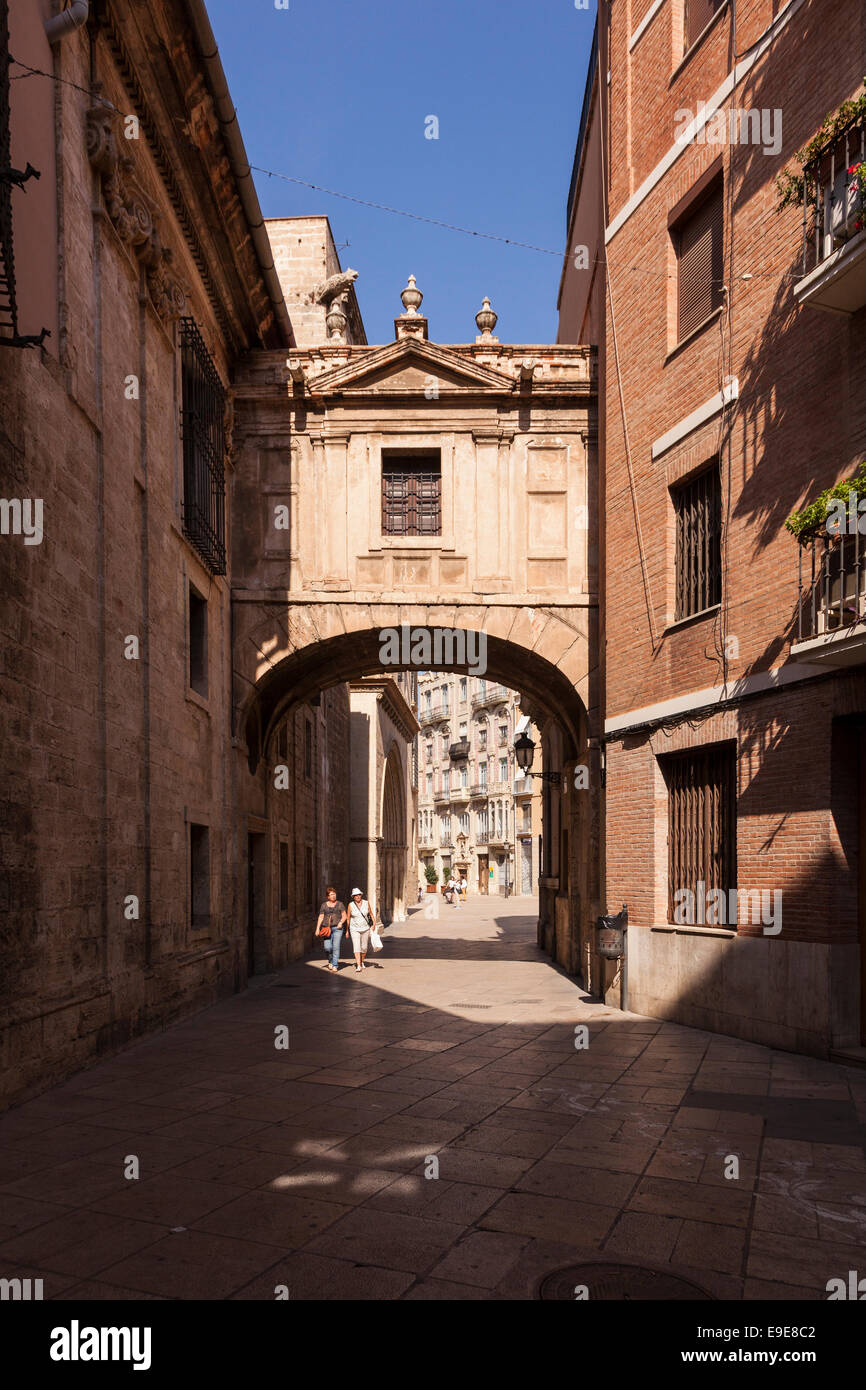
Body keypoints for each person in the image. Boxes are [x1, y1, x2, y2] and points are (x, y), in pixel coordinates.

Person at [315, 887, 346, 972]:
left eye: (334, 894)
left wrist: (340, 922)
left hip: (337, 929)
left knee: (336, 947)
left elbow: (344, 916)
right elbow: (321, 916)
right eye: (331, 894)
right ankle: (330, 960)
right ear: (328, 896)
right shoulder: (324, 905)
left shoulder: (340, 904)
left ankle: (335, 964)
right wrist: (317, 928)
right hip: (326, 928)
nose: (333, 896)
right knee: (327, 947)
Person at [347, 887, 377, 972]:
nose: (357, 896)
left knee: (364, 948)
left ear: (361, 895)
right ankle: (358, 965)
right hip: (354, 928)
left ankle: (361, 961)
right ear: (353, 897)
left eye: (359, 895)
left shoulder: (366, 903)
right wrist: (347, 930)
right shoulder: (350, 905)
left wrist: (374, 924)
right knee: (356, 947)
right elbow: (348, 918)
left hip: (365, 928)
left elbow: (370, 914)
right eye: (355, 895)